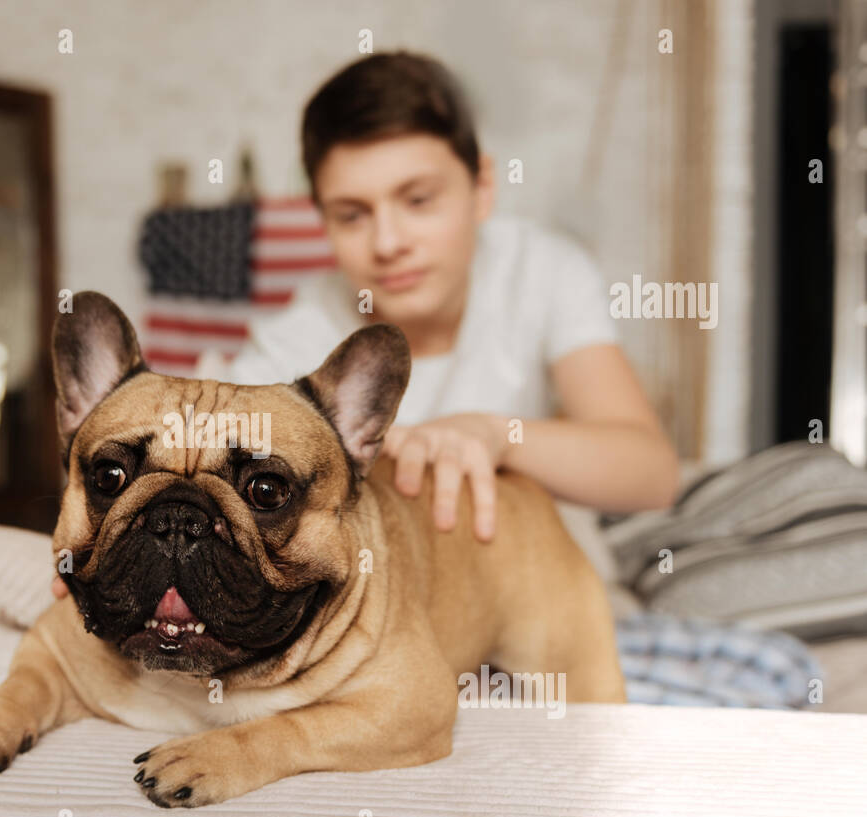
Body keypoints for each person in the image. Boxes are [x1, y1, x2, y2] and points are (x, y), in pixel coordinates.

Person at [52, 51, 679, 601]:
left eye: (418, 200)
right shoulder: (294, 339)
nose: (388, 242)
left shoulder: (544, 270)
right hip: (395, 605)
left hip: (543, 589)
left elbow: (652, 474)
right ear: (321, 219)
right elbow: (195, 479)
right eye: (352, 215)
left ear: (482, 187)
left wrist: (498, 435)